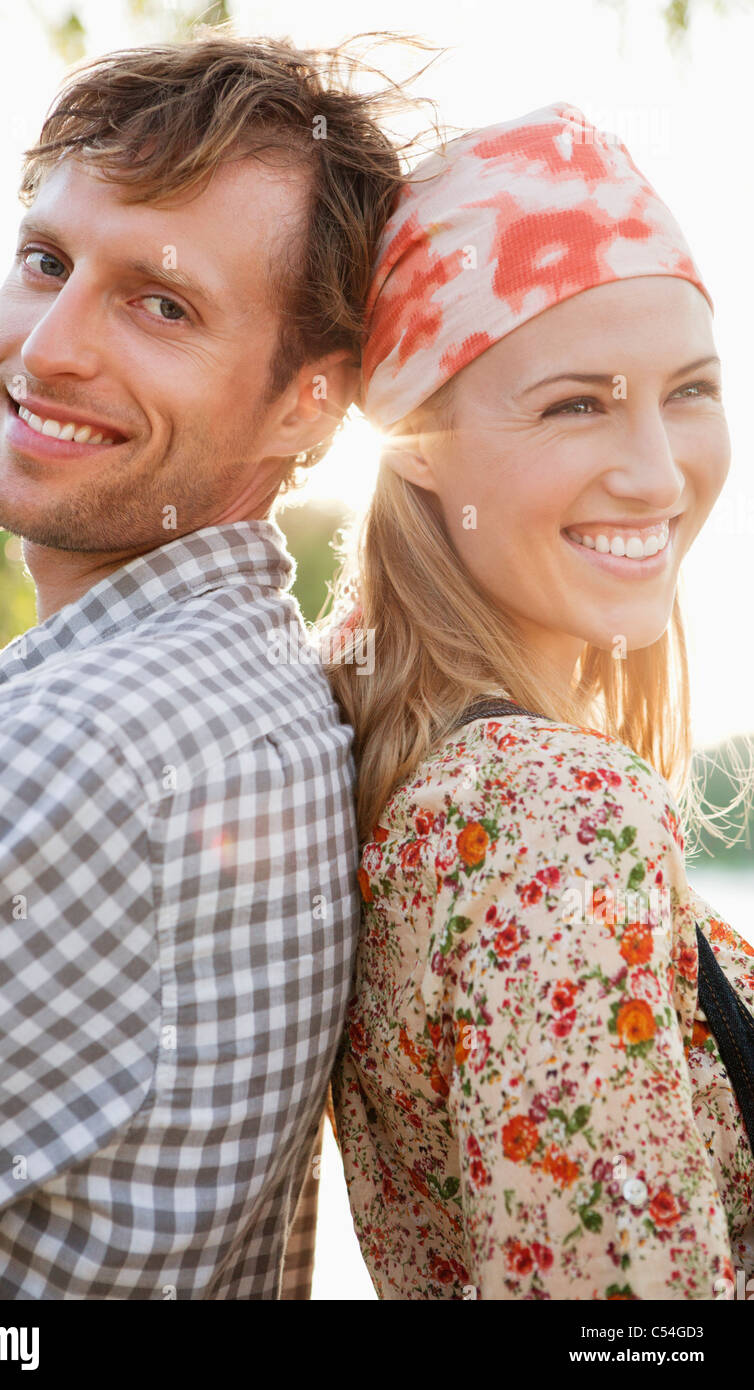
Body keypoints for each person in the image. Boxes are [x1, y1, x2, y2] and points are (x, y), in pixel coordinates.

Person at [0, 33, 422, 1299]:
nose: (48, 349)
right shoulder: (266, 696)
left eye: (161, 303)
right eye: (47, 262)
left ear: (310, 401)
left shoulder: (70, 752)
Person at [322, 101, 754, 1299]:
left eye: (689, 390)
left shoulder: (408, 757)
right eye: (575, 402)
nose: (656, 472)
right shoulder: (551, 811)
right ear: (413, 441)